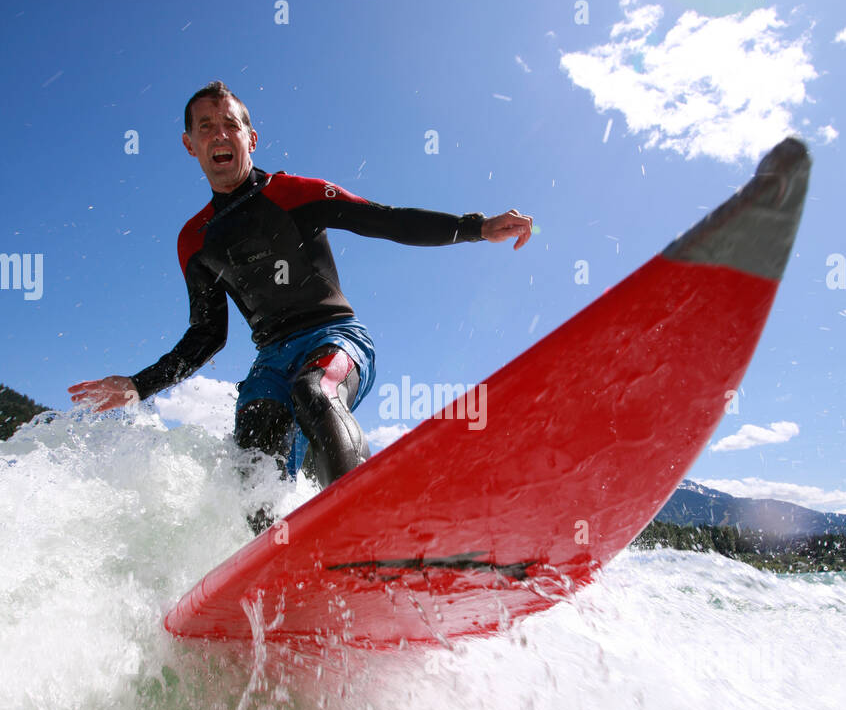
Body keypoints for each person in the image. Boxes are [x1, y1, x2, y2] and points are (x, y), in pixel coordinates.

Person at [69, 81, 533, 530]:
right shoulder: (195, 240)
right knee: (253, 452)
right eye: (205, 126)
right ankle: (283, 570)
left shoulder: (297, 193)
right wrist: (138, 385)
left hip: (335, 338)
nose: (219, 134)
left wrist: (476, 227)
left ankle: (362, 524)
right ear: (190, 145)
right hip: (269, 360)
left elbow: (387, 221)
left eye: (229, 124)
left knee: (314, 392)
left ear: (250, 138)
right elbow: (207, 335)